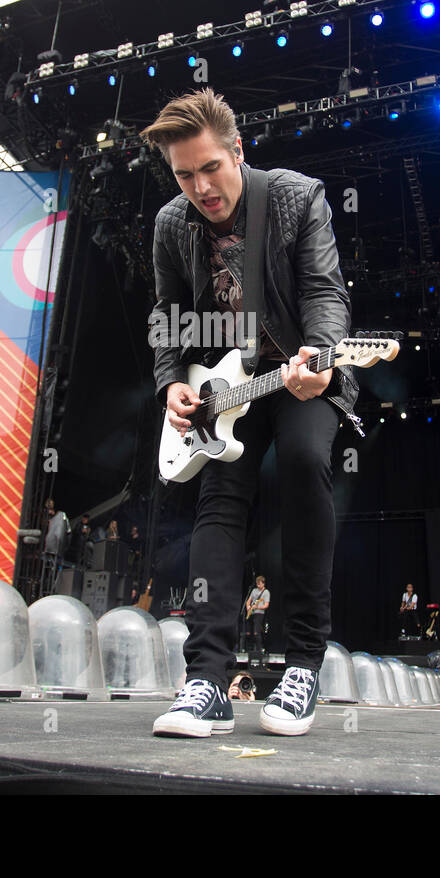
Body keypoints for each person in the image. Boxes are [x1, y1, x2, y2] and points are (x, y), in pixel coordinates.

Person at [144, 88, 359, 738]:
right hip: (225, 387)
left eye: (211, 167)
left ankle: (302, 664)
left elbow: (325, 290)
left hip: (299, 374)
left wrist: (317, 357)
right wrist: (170, 384)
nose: (201, 186)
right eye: (185, 174)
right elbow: (168, 316)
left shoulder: (295, 196)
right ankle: (206, 681)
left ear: (237, 150)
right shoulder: (169, 225)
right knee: (218, 499)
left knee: (300, 460)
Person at [242, 575, 271, 662]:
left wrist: (256, 607)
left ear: (263, 583)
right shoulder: (254, 590)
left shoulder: (266, 592)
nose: (258, 585)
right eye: (257, 584)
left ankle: (259, 650)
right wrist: (248, 607)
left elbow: (266, 605)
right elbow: (248, 600)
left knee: (256, 632)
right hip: (252, 613)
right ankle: (248, 649)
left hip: (260, 614)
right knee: (248, 632)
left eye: (259, 584)